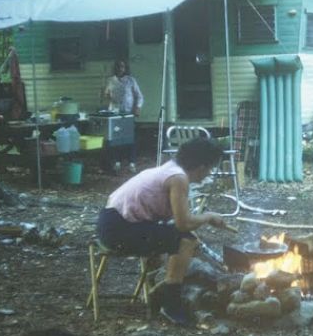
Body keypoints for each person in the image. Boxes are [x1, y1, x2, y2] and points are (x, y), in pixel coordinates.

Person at [96, 137, 227, 325]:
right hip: (117, 230)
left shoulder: (170, 170)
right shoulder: (178, 178)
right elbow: (183, 224)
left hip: (111, 224)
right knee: (185, 241)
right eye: (210, 168)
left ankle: (158, 294)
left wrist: (189, 228)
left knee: (184, 237)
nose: (208, 174)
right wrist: (208, 217)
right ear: (201, 166)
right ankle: (170, 305)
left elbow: (178, 221)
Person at [104, 59, 144, 173]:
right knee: (116, 139)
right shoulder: (111, 80)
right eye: (118, 67)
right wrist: (107, 95)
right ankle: (117, 162)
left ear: (125, 68)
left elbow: (140, 96)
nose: (120, 69)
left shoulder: (131, 80)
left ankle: (132, 163)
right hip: (115, 114)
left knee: (130, 139)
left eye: (122, 67)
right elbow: (106, 94)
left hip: (128, 114)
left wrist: (137, 107)